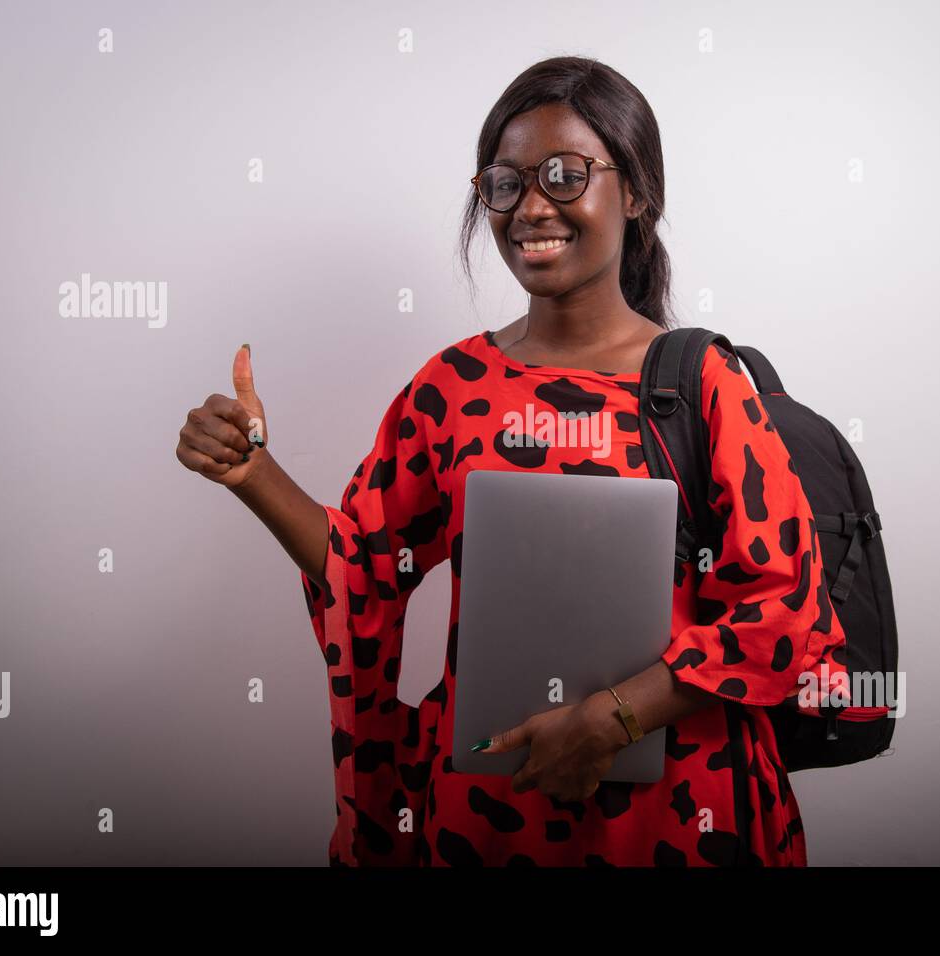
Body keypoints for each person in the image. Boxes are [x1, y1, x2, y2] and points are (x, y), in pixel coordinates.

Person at [176, 55, 849, 866]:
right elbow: (364, 570)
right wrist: (255, 476)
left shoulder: (701, 383)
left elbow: (785, 611)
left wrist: (611, 720)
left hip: (683, 816)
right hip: (494, 813)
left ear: (635, 194)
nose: (532, 207)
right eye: (505, 182)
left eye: (567, 176)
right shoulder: (451, 387)